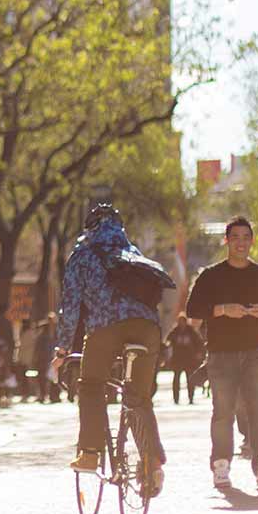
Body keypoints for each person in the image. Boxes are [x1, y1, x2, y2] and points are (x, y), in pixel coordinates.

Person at [51, 203, 167, 497]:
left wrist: (63, 348)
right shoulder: (134, 252)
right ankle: (151, 461)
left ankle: (90, 452)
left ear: (89, 228)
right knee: (138, 397)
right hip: (148, 328)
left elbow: (70, 307)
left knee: (91, 385)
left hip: (107, 326)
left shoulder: (83, 255)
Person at [185, 216, 258, 489]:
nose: (241, 243)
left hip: (255, 352)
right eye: (235, 238)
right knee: (223, 412)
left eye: (245, 237)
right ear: (226, 241)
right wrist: (221, 309)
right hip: (220, 354)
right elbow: (192, 311)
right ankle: (221, 467)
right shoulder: (210, 275)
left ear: (252, 241)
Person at [163, 313, 205, 404]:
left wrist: (199, 353)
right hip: (177, 359)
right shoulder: (175, 331)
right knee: (176, 379)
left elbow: (199, 343)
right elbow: (167, 342)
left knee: (190, 379)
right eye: (180, 321)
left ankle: (191, 398)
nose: (181, 323)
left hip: (189, 359)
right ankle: (176, 399)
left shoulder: (191, 331)